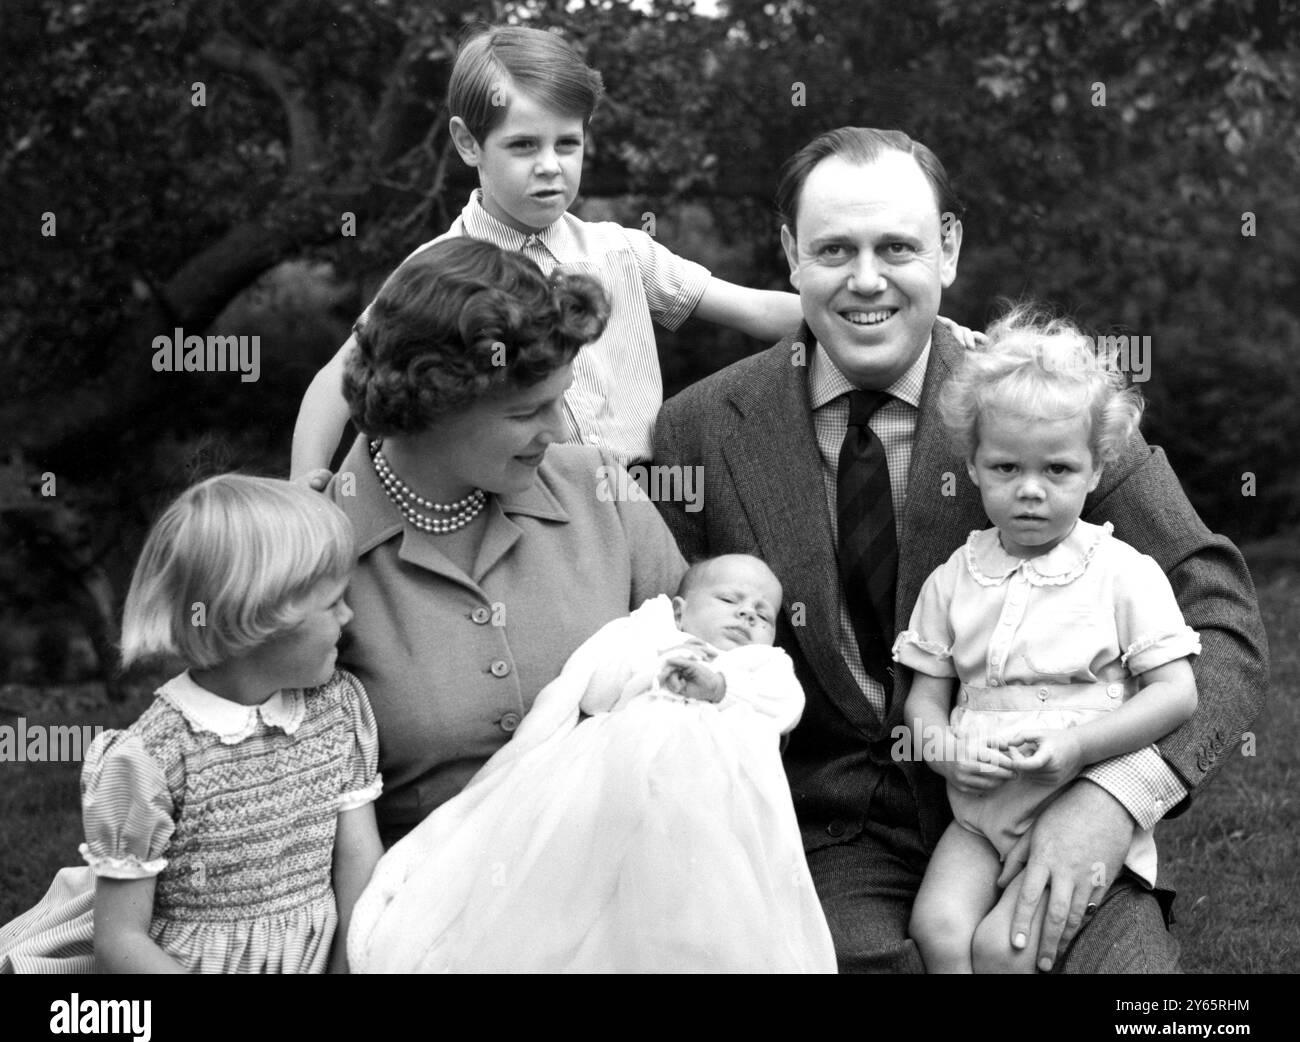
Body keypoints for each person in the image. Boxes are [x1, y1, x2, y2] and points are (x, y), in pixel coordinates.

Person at [651, 127, 1269, 973]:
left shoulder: (1045, 405)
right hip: (829, 843)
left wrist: (1114, 794)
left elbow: (1219, 616)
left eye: (897, 246)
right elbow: (663, 635)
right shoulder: (699, 429)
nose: (866, 279)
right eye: (834, 248)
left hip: (1053, 805)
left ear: (947, 248)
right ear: (790, 254)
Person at [292, 25, 979, 476]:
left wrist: (918, 325)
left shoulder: (619, 251)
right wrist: (306, 479)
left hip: (647, 495)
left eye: (569, 143)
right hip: (525, 500)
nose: (551, 167)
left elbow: (754, 310)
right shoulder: (442, 267)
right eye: (523, 146)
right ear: (470, 143)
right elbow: (343, 373)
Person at [325, 236, 687, 848]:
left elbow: (719, 668)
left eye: (559, 401)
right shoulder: (315, 552)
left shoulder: (596, 484)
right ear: (429, 403)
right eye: (524, 413)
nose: (555, 430)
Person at [349, 554, 835, 973]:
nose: (747, 615)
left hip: (715, 798)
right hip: (616, 773)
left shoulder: (762, 667)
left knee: (705, 887)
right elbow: (597, 689)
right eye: (730, 601)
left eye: (763, 614)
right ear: (681, 612)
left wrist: (721, 689)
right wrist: (650, 674)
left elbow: (782, 707)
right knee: (585, 869)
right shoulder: (647, 636)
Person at [895, 310, 1200, 973]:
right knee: (938, 929)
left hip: (1073, 805)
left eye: (1058, 469)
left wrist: (1079, 746)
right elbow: (923, 700)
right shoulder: (954, 577)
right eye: (1006, 466)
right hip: (978, 815)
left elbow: (1177, 694)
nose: (1030, 490)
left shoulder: (1121, 572)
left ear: (1096, 471)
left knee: (1000, 949)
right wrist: (945, 751)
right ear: (973, 466)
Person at [0, 475, 383, 974]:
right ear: (258, 618)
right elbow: (121, 942)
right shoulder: (151, 759)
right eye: (332, 602)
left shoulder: (338, 709)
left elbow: (359, 858)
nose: (350, 615)